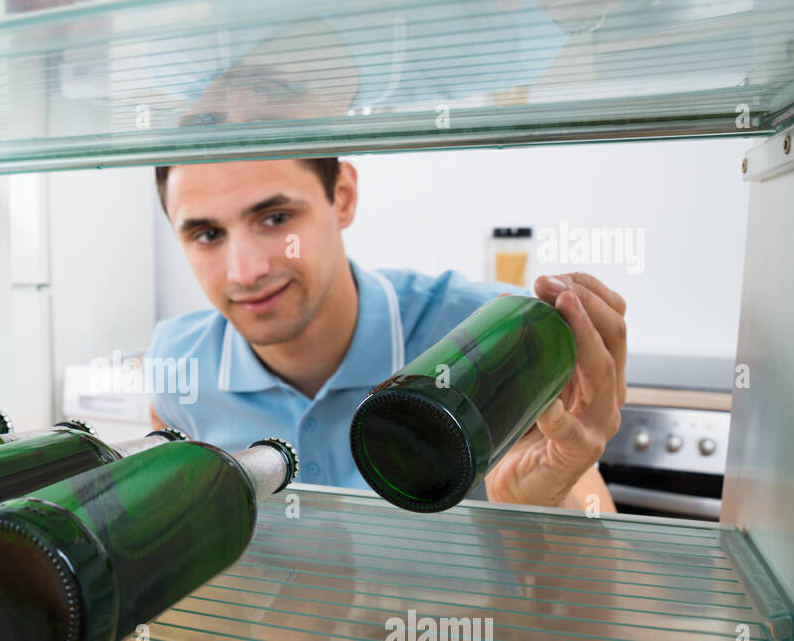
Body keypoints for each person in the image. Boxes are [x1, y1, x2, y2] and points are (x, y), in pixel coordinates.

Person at [146, 156, 626, 511]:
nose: (245, 271)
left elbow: (606, 617)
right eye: (207, 235)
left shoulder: (486, 337)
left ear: (343, 196)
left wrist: (539, 502)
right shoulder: (177, 362)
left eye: (276, 219)